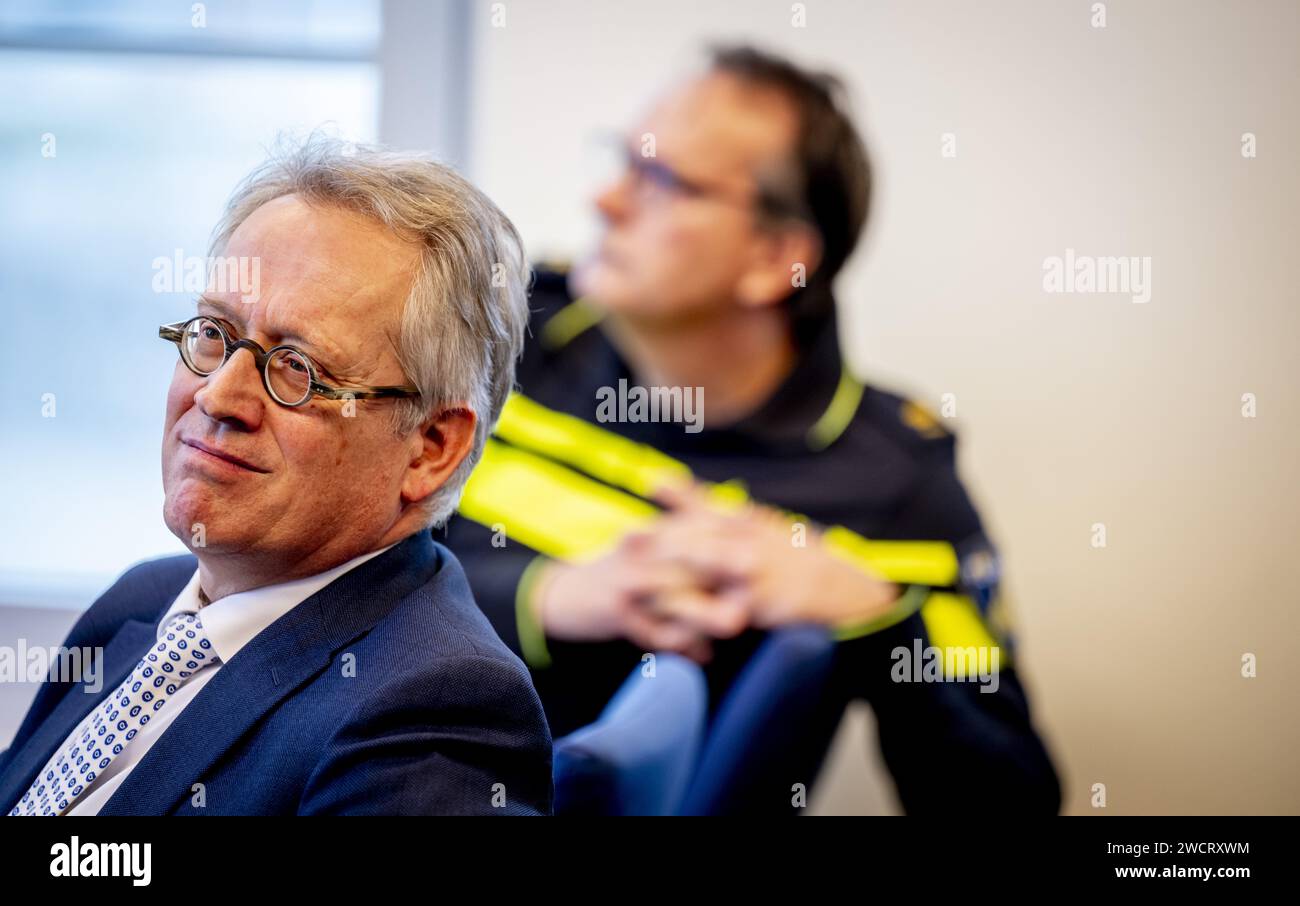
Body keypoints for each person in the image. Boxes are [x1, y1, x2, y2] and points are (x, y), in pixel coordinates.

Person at [443, 46, 1061, 813]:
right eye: (622, 160)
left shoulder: (897, 481)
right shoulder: (502, 330)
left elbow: (1013, 799)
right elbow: (333, 565)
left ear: (775, 259)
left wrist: (874, 615)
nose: (607, 199)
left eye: (662, 180)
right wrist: (547, 597)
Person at [0, 136, 552, 816]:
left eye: (298, 368)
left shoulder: (434, 717)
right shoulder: (142, 601)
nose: (218, 398)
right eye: (214, 332)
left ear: (431, 446)